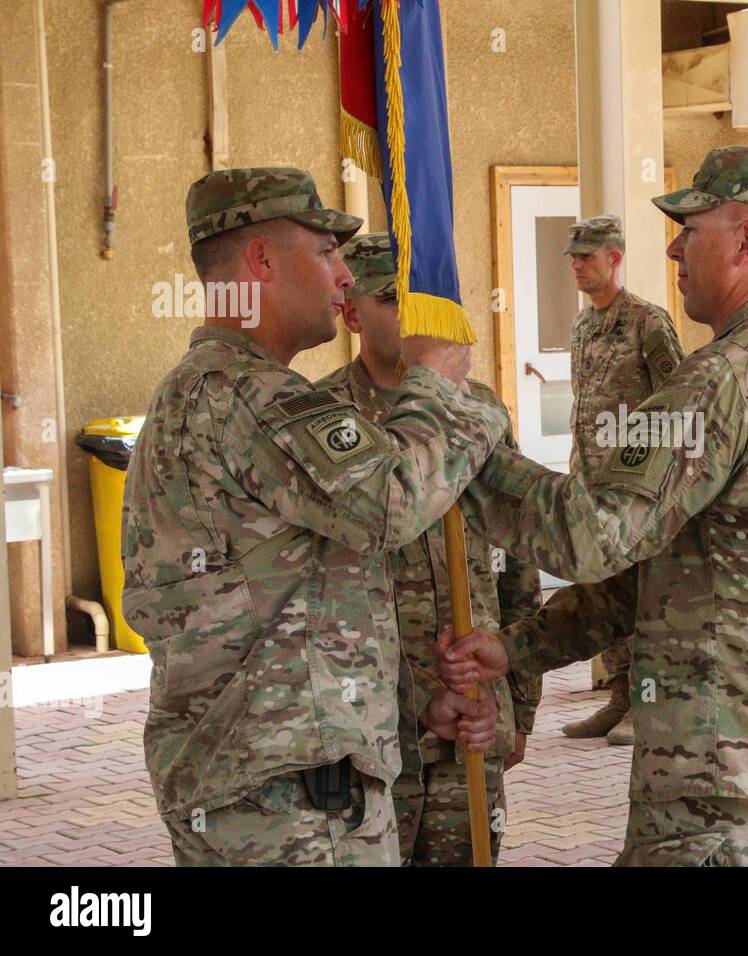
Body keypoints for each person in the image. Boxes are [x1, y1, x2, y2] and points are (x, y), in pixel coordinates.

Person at [440, 146, 748, 866]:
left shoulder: (731, 377)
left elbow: (589, 534)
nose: (672, 247)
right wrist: (520, 646)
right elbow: (668, 566)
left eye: (691, 229)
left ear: (746, 239)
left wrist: (457, 437)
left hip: (736, 774)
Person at [121, 168, 502, 866]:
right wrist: (442, 391)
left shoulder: (208, 390)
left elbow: (294, 602)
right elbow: (393, 504)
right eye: (326, 252)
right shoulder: (249, 394)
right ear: (262, 260)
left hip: (270, 788)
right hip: (293, 807)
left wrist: (410, 709)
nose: (344, 278)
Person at [317, 232, 543, 865]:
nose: (417, 318)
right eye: (394, 299)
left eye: (428, 299)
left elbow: (517, 560)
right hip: (372, 725)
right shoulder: (323, 417)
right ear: (353, 313)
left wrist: (517, 705)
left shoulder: (476, 411)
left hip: (470, 714)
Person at [559, 213, 684, 746]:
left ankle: (648, 706)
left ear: (615, 258)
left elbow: (677, 400)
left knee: (642, 599)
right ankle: (617, 698)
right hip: (590, 484)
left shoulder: (647, 323)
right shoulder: (583, 326)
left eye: (588, 256)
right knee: (602, 591)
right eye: (574, 257)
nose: (578, 266)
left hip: (635, 489)